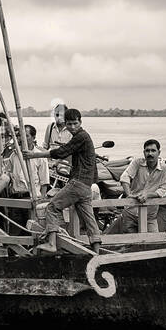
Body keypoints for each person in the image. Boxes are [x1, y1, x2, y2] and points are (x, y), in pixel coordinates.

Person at [25, 108, 100, 253]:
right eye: (70, 124)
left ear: (80, 122)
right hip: (86, 186)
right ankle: (97, 250)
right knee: (89, 219)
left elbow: (62, 152)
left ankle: (52, 244)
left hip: (78, 183)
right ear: (66, 124)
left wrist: (34, 155)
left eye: (75, 123)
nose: (72, 127)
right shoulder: (84, 138)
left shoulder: (81, 136)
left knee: (52, 207)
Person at [106, 139, 166, 234]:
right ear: (143, 152)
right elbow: (125, 177)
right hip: (130, 212)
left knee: (153, 241)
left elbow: (164, 190)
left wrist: (147, 195)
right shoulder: (137, 163)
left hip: (150, 215)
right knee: (127, 241)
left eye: (153, 151)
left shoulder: (165, 168)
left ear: (159, 152)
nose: (150, 153)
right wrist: (129, 194)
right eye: (147, 150)